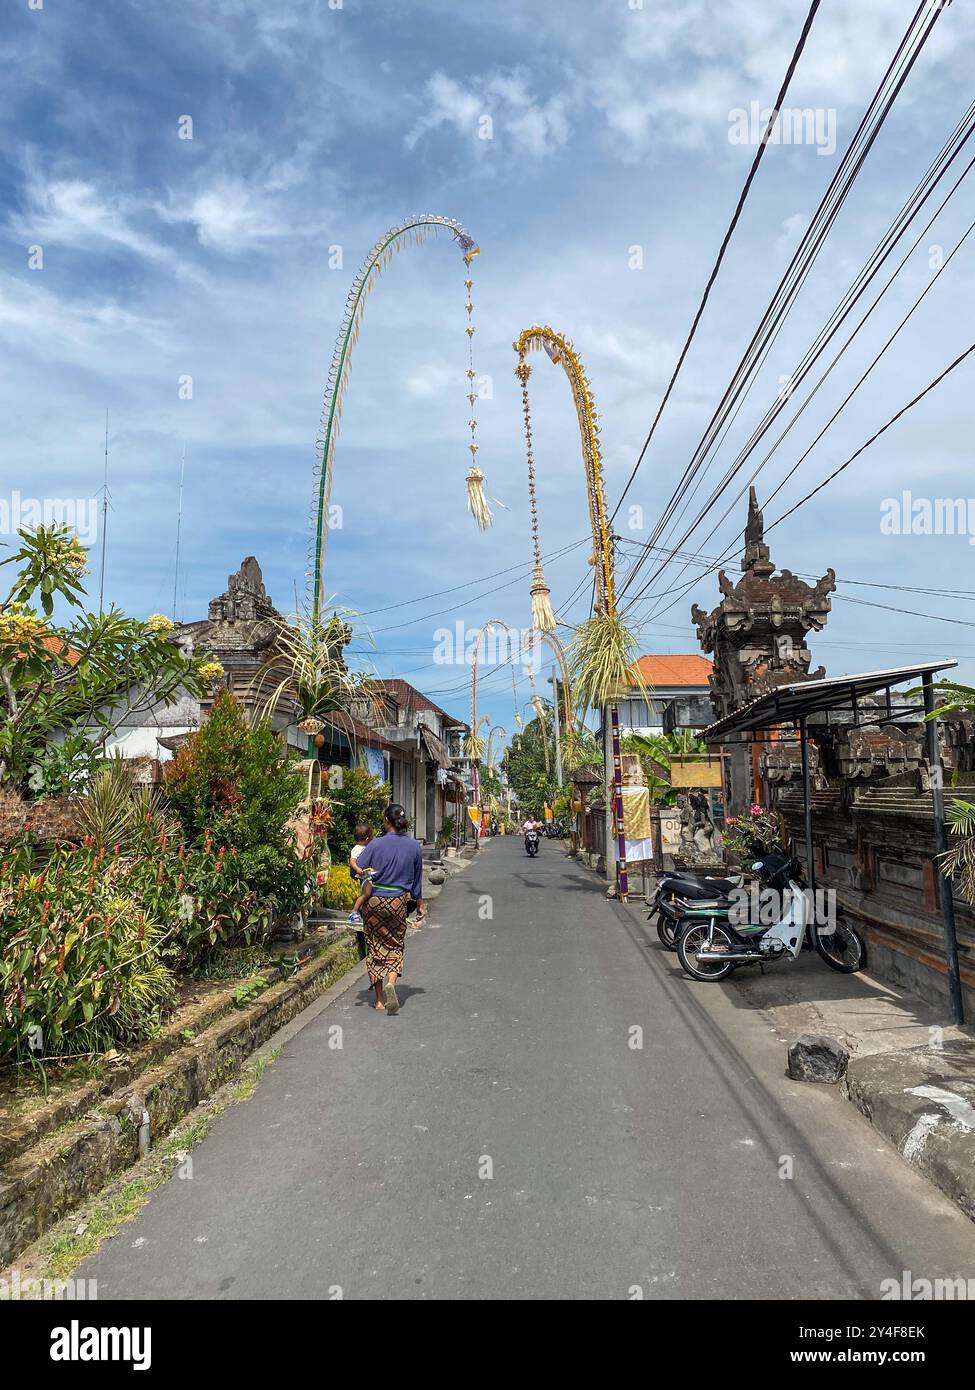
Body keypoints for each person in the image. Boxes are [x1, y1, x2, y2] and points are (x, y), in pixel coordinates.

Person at [354, 803, 426, 1014]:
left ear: (386, 821)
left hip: (375, 900)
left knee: (375, 945)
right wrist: (420, 904)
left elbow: (358, 869)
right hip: (397, 902)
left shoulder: (375, 845)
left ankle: (378, 1000)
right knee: (395, 944)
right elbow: (416, 883)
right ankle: (391, 984)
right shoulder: (414, 846)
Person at [348, 824, 374, 927]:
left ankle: (361, 910)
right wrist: (357, 869)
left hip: (368, 874)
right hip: (363, 876)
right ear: (367, 838)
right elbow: (352, 861)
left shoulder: (366, 847)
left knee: (369, 893)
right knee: (366, 893)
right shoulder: (357, 848)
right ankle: (354, 911)